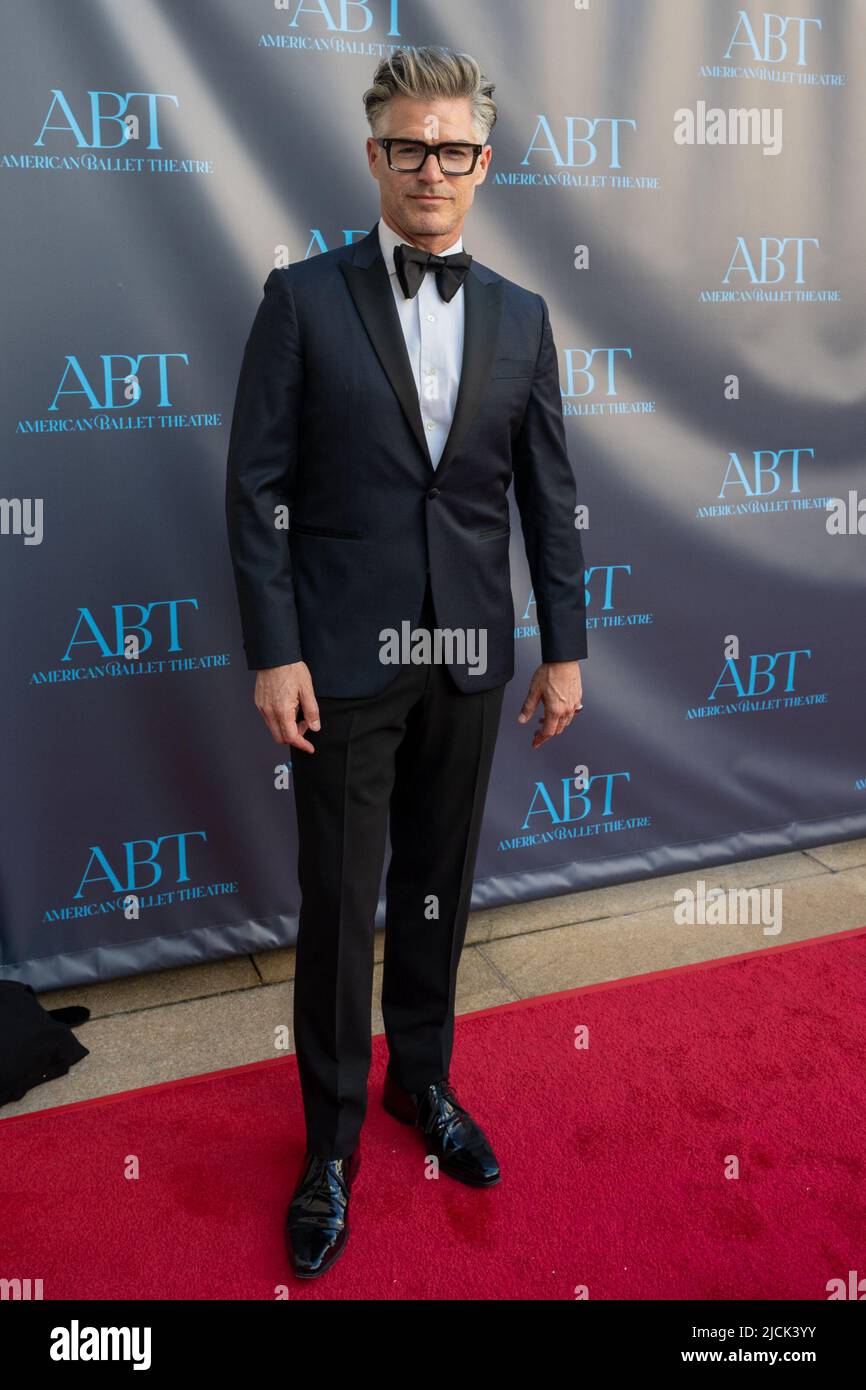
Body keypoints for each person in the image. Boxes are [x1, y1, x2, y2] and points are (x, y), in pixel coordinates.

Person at [225, 45, 587, 1280]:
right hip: (340, 660)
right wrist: (273, 653)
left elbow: (550, 499)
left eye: (451, 150)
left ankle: (417, 1084)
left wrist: (564, 650)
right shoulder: (302, 300)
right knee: (339, 908)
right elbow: (256, 488)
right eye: (404, 147)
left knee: (435, 890)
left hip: (469, 661)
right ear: (372, 155)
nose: (428, 169)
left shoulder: (524, 318)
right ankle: (326, 1146)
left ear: (481, 163)